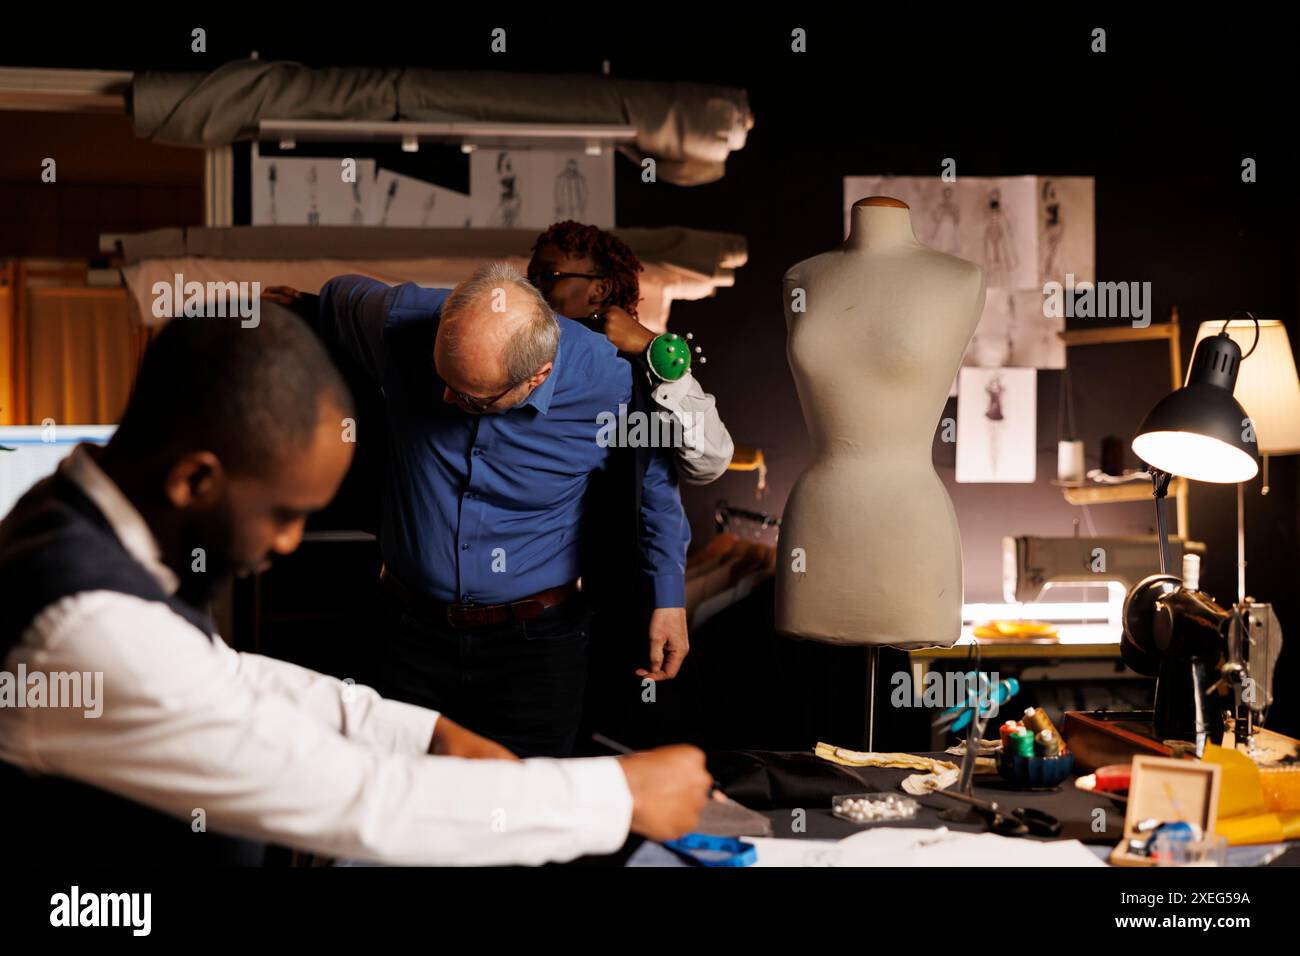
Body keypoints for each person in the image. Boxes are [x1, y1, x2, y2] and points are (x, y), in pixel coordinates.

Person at [0, 306, 710, 866]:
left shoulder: (67, 521)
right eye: (285, 515)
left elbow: (229, 680)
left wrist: (424, 732)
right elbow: (360, 801)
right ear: (195, 480)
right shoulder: (85, 626)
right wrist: (615, 794)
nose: (285, 545)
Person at [267, 262, 691, 758]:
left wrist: (668, 596)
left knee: (524, 813)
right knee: (395, 803)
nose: (445, 399)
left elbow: (655, 482)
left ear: (537, 378)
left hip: (537, 650)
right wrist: (305, 309)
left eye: (468, 397)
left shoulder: (610, 382)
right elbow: (338, 295)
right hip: (406, 632)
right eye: (441, 380)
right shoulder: (402, 318)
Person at [527, 220, 734, 483]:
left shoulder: (637, 373)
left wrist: (653, 346)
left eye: (549, 276)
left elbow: (711, 462)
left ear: (599, 290)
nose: (532, 288)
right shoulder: (516, 349)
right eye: (529, 278)